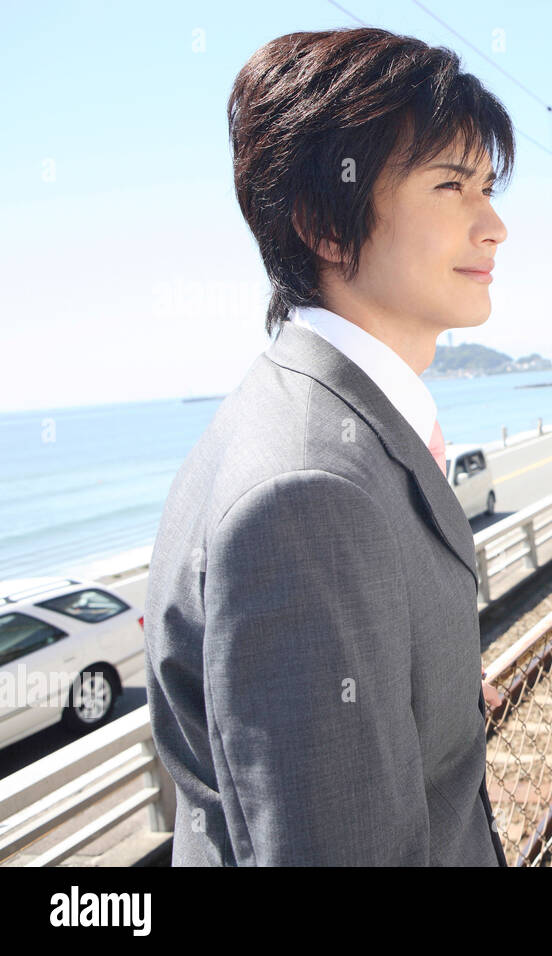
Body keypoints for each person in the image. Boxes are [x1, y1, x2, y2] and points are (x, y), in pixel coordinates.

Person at [143, 27, 514, 865]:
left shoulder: (309, 421)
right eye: (452, 186)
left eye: (488, 185)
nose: (494, 226)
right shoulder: (308, 491)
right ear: (324, 222)